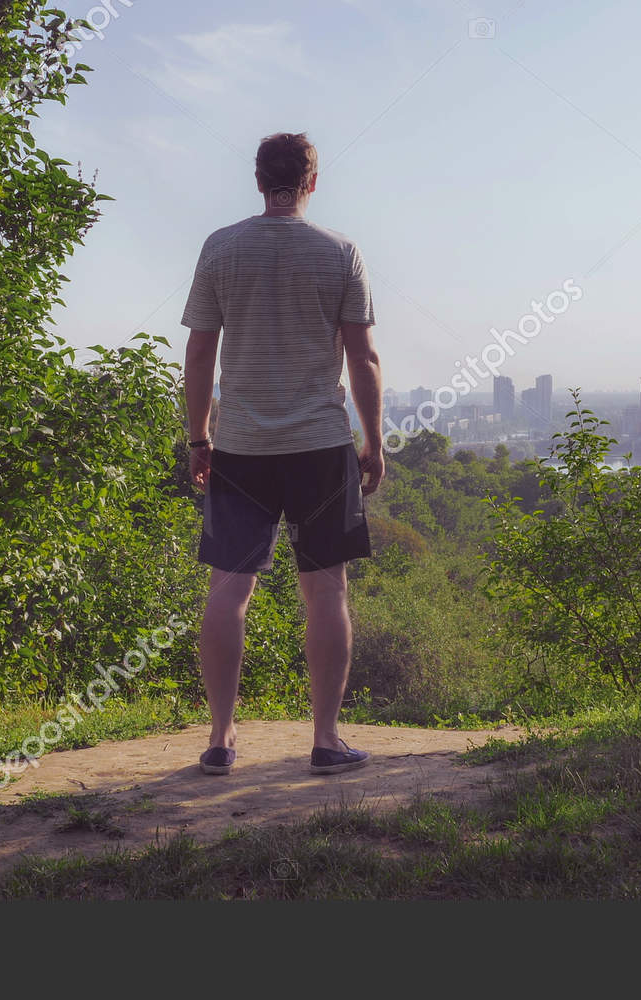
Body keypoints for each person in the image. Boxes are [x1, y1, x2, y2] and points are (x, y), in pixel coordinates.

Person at [180, 131, 385, 777]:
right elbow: (363, 356)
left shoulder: (221, 247)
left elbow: (198, 353)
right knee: (326, 593)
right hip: (320, 446)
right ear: (312, 182)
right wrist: (374, 440)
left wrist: (197, 437)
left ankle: (219, 739)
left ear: (258, 180)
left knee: (227, 589)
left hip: (239, 444)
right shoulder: (341, 253)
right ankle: (325, 741)